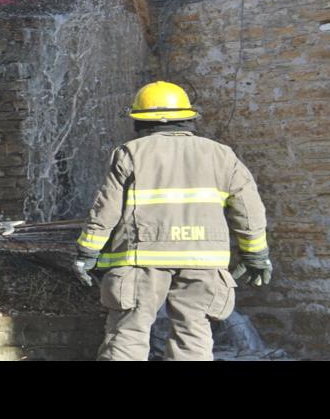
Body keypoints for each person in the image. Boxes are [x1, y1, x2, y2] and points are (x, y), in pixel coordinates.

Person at [72, 81, 272, 361]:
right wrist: (255, 254)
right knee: (194, 336)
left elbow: (105, 209)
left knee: (128, 334)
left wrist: (87, 252)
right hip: (203, 262)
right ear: (188, 118)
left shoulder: (130, 153)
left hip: (141, 259)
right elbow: (249, 211)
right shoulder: (222, 155)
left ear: (140, 121)